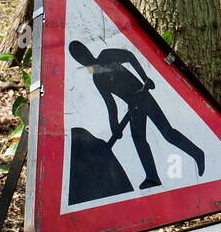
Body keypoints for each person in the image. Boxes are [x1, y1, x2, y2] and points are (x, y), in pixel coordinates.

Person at [68, 40, 205, 189]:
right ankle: (152, 178)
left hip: (143, 96)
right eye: (78, 58)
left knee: (167, 132)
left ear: (87, 52)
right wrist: (115, 126)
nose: (82, 59)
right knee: (139, 140)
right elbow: (111, 104)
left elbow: (129, 56)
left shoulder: (106, 55)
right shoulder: (97, 78)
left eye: (81, 55)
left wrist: (145, 78)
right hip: (133, 106)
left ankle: (197, 153)